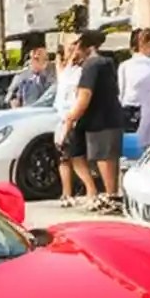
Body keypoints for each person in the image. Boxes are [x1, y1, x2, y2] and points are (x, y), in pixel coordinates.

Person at [60, 30, 126, 214]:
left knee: (104, 157)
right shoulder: (107, 63)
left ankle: (111, 196)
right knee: (102, 155)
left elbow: (84, 96)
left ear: (85, 47)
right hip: (108, 117)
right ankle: (109, 194)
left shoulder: (91, 65)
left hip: (101, 119)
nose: (76, 54)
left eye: (78, 49)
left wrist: (71, 116)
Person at [53, 38, 97, 208]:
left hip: (73, 116)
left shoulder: (81, 72)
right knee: (63, 157)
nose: (71, 53)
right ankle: (66, 193)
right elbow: (59, 60)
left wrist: (72, 118)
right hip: (60, 116)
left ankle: (91, 190)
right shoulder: (64, 71)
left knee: (76, 156)